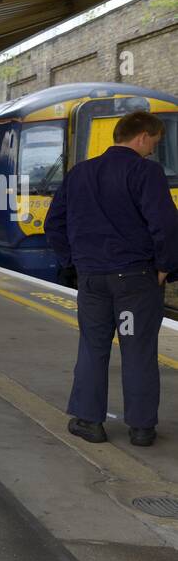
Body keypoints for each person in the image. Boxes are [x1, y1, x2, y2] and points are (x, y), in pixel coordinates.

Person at [45, 110, 178, 447]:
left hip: (93, 282)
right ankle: (141, 428)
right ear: (143, 136)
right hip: (135, 282)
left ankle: (89, 422)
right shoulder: (145, 172)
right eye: (155, 143)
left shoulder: (79, 174)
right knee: (137, 350)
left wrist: (72, 262)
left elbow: (53, 225)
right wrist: (165, 266)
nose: (153, 150)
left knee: (92, 347)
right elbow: (165, 224)